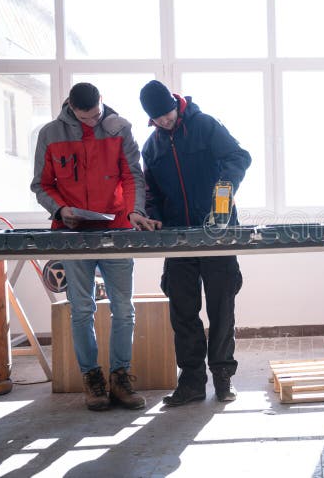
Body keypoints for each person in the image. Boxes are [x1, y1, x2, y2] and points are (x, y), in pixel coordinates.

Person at [31, 82, 161, 411]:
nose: (90, 122)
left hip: (116, 229)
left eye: (95, 116)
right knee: (82, 310)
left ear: (101, 103)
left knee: (124, 308)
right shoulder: (50, 134)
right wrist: (60, 209)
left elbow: (133, 176)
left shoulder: (120, 129)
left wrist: (135, 211)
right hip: (73, 234)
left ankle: (120, 378)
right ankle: (93, 379)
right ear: (70, 108)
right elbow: (42, 184)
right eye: (83, 117)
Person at [139, 80, 251, 406]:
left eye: (167, 114)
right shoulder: (152, 147)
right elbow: (151, 193)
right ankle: (191, 382)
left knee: (221, 308)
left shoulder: (205, 126)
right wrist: (155, 215)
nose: (164, 121)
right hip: (178, 238)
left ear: (176, 104)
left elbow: (239, 157)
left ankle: (223, 378)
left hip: (217, 231)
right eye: (157, 119)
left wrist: (223, 195)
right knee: (183, 312)